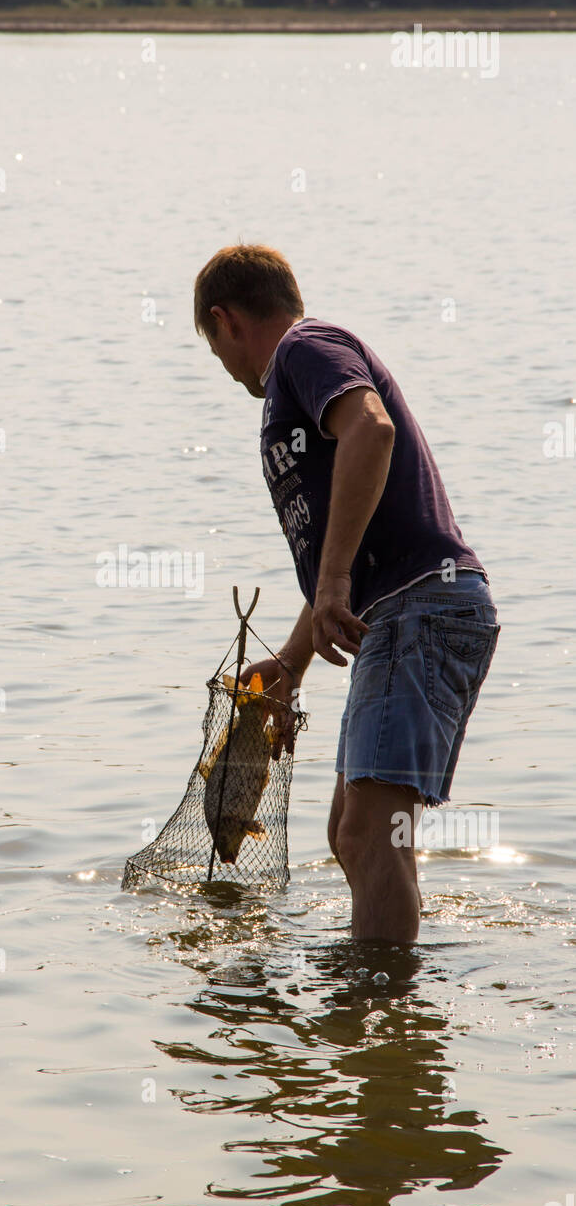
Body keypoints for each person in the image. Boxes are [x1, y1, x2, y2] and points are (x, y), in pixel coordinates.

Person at [194, 244, 500, 943]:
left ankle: (377, 1012)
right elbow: (349, 549)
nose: (225, 368)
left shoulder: (305, 348)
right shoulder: (293, 383)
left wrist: (333, 582)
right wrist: (291, 664)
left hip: (422, 605)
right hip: (406, 610)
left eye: (215, 350)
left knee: (368, 835)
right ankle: (386, 1024)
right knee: (352, 833)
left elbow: (372, 426)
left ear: (226, 321)